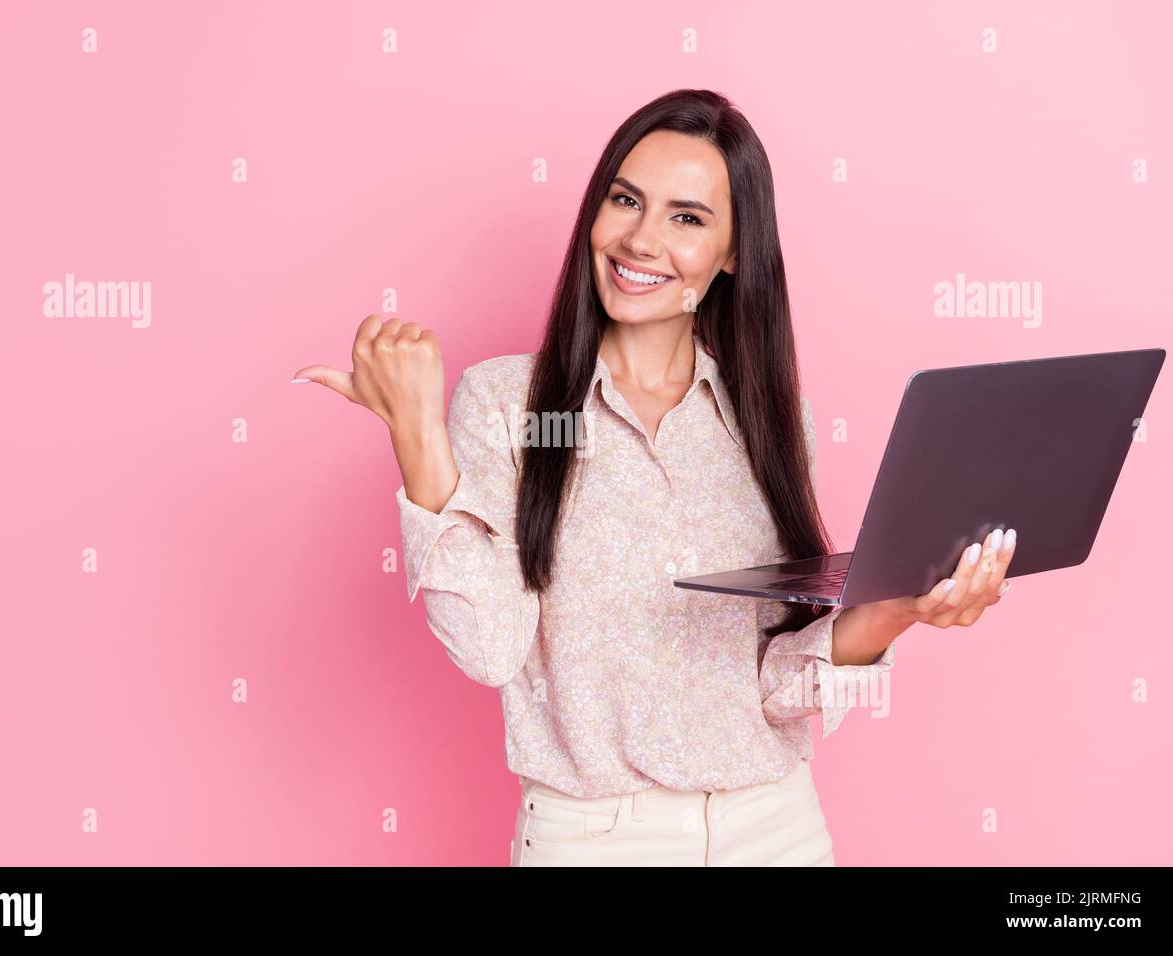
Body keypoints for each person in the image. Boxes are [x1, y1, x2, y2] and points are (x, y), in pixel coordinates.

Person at [293, 88, 1017, 866]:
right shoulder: (508, 403)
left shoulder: (772, 422)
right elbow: (490, 647)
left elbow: (776, 687)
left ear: (735, 252)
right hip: (595, 840)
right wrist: (416, 435)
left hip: (776, 831)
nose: (640, 240)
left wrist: (902, 607)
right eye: (625, 200)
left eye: (687, 218)